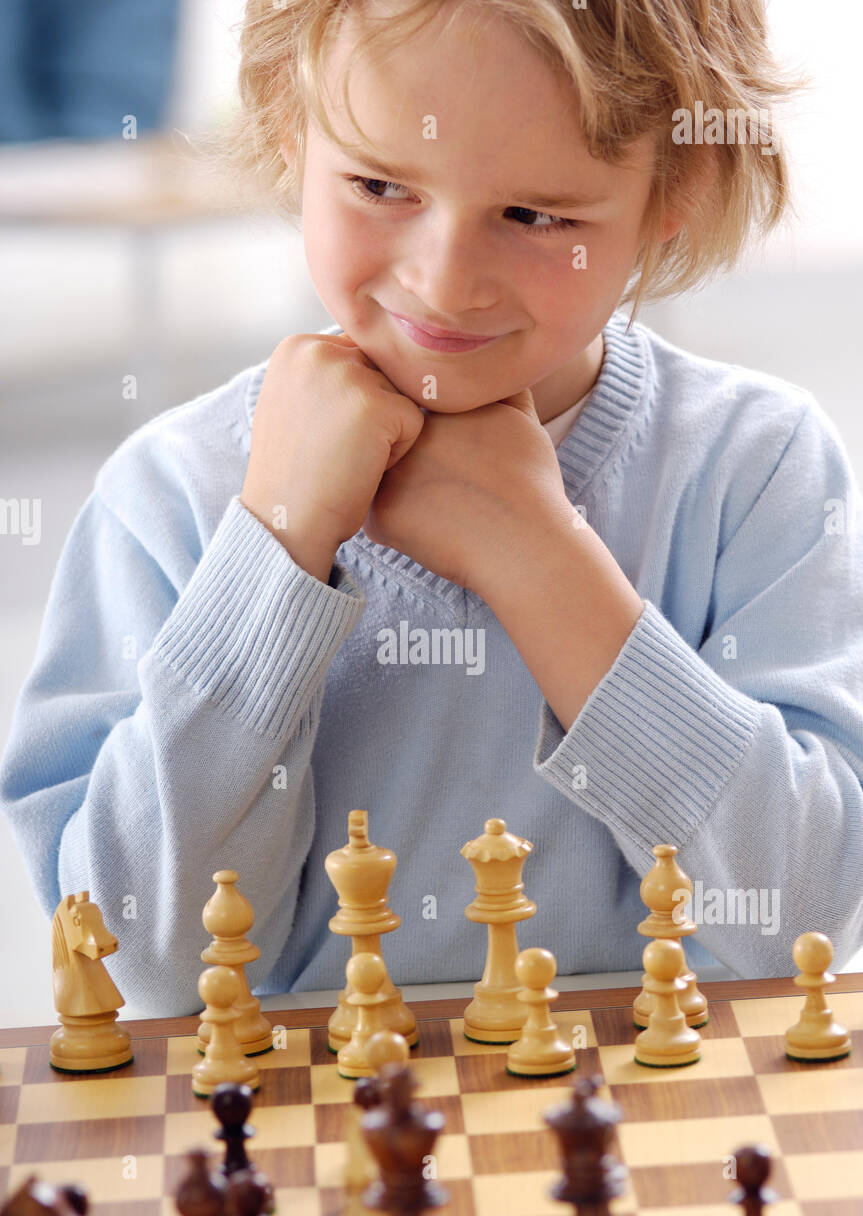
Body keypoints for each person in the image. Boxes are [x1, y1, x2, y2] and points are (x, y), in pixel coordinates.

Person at [3, 0, 863, 1019]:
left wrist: (539, 556)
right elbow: (140, 963)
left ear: (674, 189)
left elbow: (799, 918)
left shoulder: (756, 464)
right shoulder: (170, 490)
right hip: (311, 1114)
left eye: (535, 216)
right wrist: (276, 544)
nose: (444, 284)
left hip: (655, 1110)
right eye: (378, 186)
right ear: (288, 127)